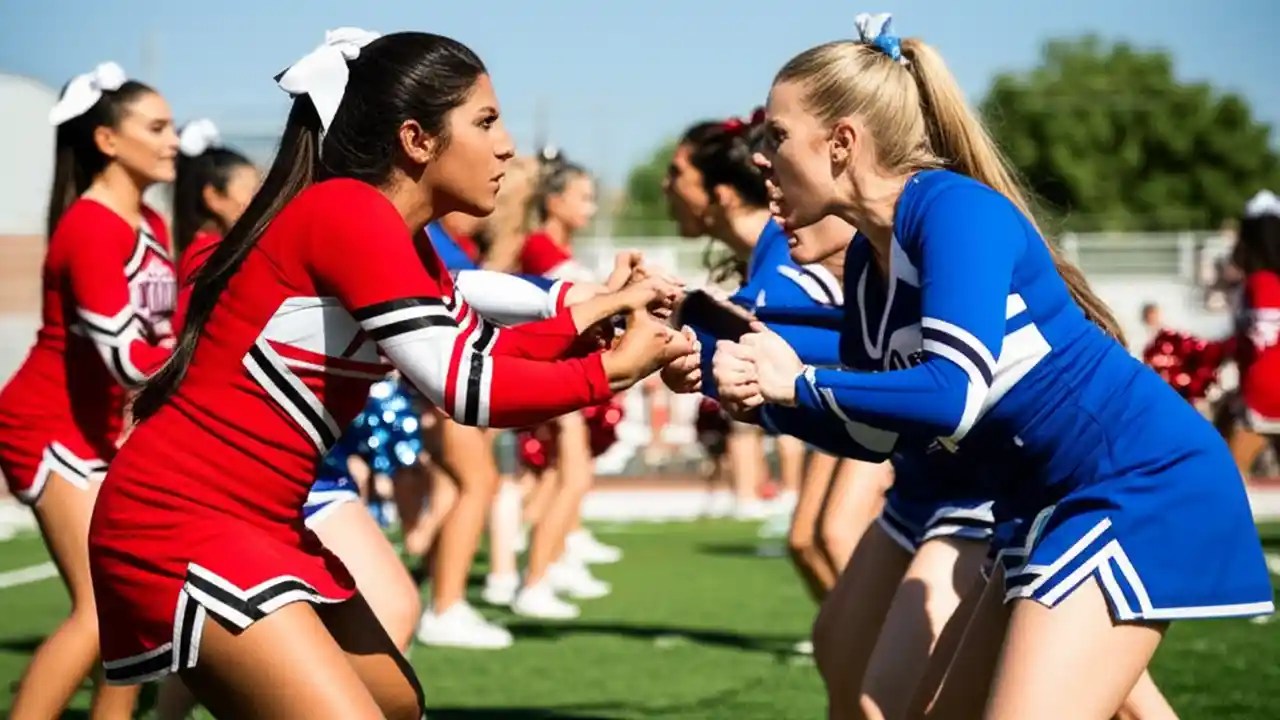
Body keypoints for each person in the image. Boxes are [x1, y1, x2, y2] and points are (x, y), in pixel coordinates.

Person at [87, 28, 690, 719]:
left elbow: (490, 355)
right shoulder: (346, 211)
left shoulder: (402, 240)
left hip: (263, 523)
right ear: (416, 138)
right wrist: (614, 368)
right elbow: (466, 388)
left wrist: (603, 319)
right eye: (486, 121)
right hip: (181, 520)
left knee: (396, 705)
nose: (508, 147)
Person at [712, 13, 1270, 718]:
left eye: (777, 136)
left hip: (1133, 484)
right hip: (1043, 504)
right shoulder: (866, 258)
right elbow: (882, 436)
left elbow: (949, 396)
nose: (761, 158)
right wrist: (768, 401)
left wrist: (794, 381)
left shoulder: (954, 212)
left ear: (843, 142)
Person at [0, 61, 177, 720]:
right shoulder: (91, 227)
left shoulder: (151, 227)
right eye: (155, 128)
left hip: (103, 429)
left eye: (172, 127)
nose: (171, 141)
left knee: (134, 605)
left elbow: (166, 330)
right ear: (107, 140)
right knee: (103, 609)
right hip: (49, 427)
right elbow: (128, 359)